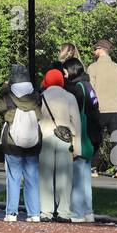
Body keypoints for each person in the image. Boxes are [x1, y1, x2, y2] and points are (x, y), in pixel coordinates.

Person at [0, 65, 43, 223]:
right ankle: (34, 213)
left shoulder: (8, 96)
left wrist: (4, 89)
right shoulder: (35, 96)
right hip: (33, 141)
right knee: (32, 178)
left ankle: (12, 213)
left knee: (13, 177)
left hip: (12, 141)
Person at [37, 68, 81, 222]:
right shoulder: (70, 97)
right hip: (65, 139)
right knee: (65, 177)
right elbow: (76, 121)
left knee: (45, 177)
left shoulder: (41, 97)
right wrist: (77, 146)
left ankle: (46, 212)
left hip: (46, 137)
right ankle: (63, 211)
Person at [63, 57, 102, 223]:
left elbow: (74, 113)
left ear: (71, 70)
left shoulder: (77, 89)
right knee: (85, 176)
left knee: (78, 176)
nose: (64, 75)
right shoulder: (88, 85)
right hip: (92, 134)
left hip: (82, 134)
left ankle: (78, 212)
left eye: (65, 71)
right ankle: (88, 211)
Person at [87, 39, 117, 176]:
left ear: (100, 49)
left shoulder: (93, 68)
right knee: (116, 138)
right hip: (115, 108)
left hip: (99, 109)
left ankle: (93, 168)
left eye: (95, 49)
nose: (94, 52)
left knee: (96, 138)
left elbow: (90, 90)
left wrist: (89, 108)